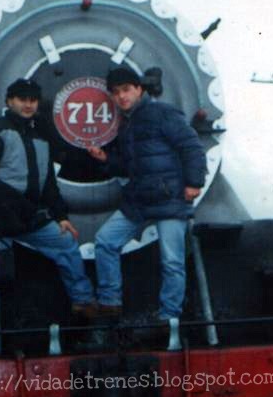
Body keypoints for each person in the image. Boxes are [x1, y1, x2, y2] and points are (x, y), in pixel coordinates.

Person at [0, 78, 96, 354]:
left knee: (65, 244)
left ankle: (83, 302)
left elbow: (48, 183)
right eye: (21, 99)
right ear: (9, 101)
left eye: (32, 100)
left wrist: (60, 216)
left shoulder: (40, 139)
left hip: (29, 216)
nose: (27, 104)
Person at [88, 66, 207, 321]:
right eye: (116, 92)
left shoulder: (162, 113)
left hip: (169, 199)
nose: (122, 97)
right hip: (140, 200)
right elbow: (131, 166)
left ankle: (169, 317)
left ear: (139, 89)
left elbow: (191, 145)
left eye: (127, 90)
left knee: (172, 262)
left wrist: (194, 182)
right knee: (105, 241)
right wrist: (106, 158)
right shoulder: (126, 126)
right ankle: (110, 302)